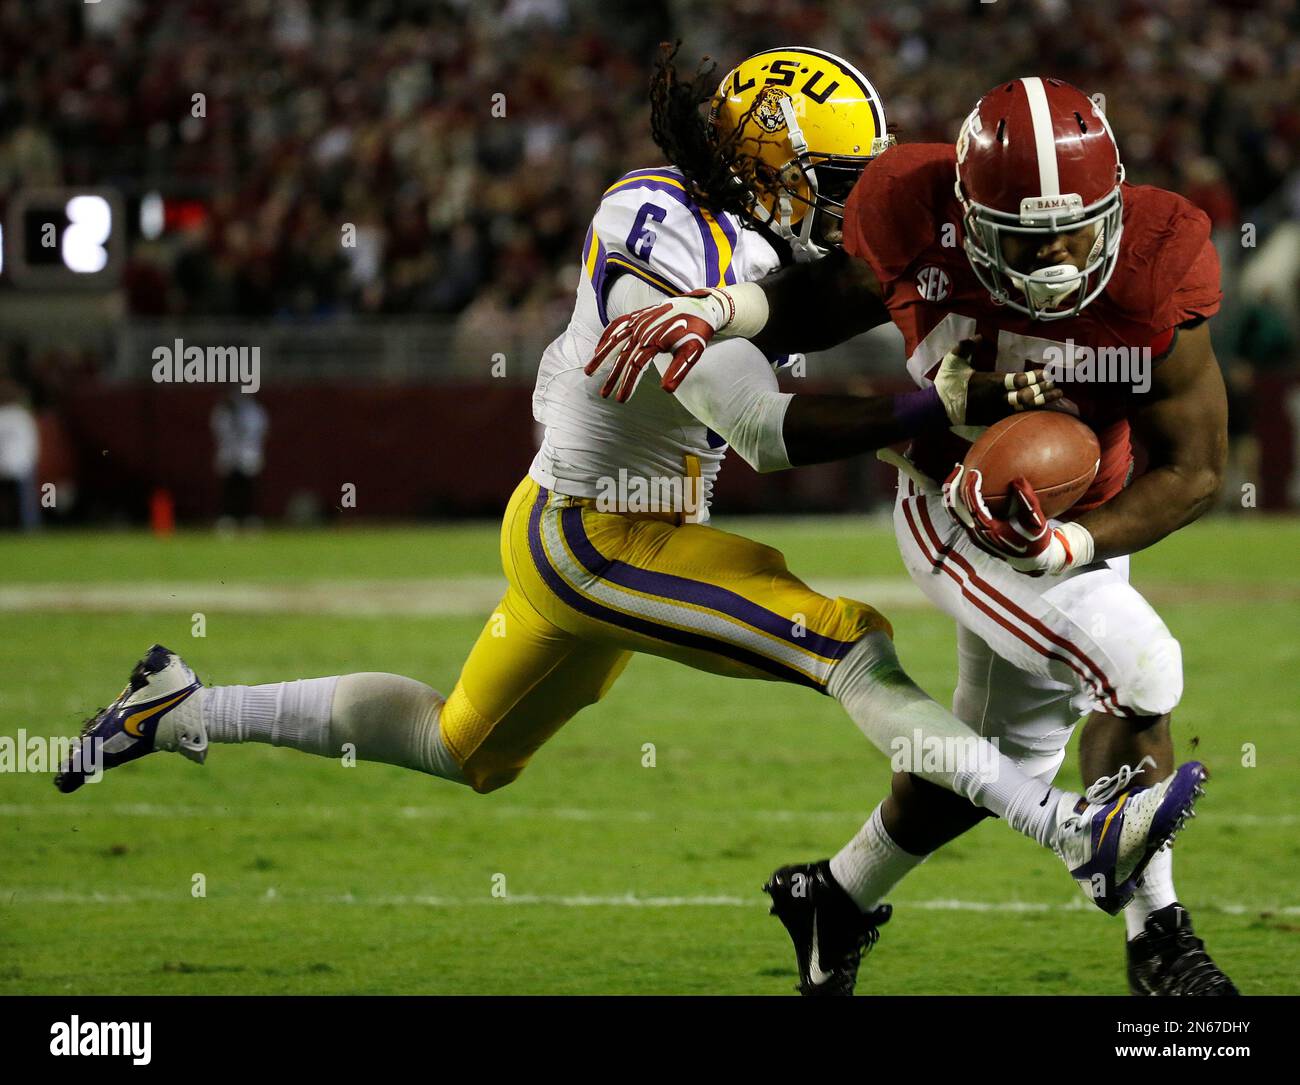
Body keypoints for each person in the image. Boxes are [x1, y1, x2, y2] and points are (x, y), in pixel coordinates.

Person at [55, 55, 1205, 992]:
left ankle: (186, 704)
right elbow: (759, 427)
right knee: (849, 643)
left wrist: (917, 412)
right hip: (601, 534)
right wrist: (930, 406)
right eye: (834, 174)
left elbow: (826, 300)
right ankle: (1067, 830)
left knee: (466, 746)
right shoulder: (657, 226)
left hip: (600, 524)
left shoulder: (752, 244)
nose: (850, 199)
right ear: (765, 160)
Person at [589, 75, 1236, 995]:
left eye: (1075, 227)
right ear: (970, 216)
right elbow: (823, 298)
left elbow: (1196, 468)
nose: (1056, 257)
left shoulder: (1158, 253)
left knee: (1000, 757)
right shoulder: (914, 209)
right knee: (1139, 665)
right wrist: (721, 307)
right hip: (954, 500)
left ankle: (835, 899)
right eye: (1026, 235)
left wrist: (1074, 546)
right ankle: (1161, 943)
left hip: (1083, 512)